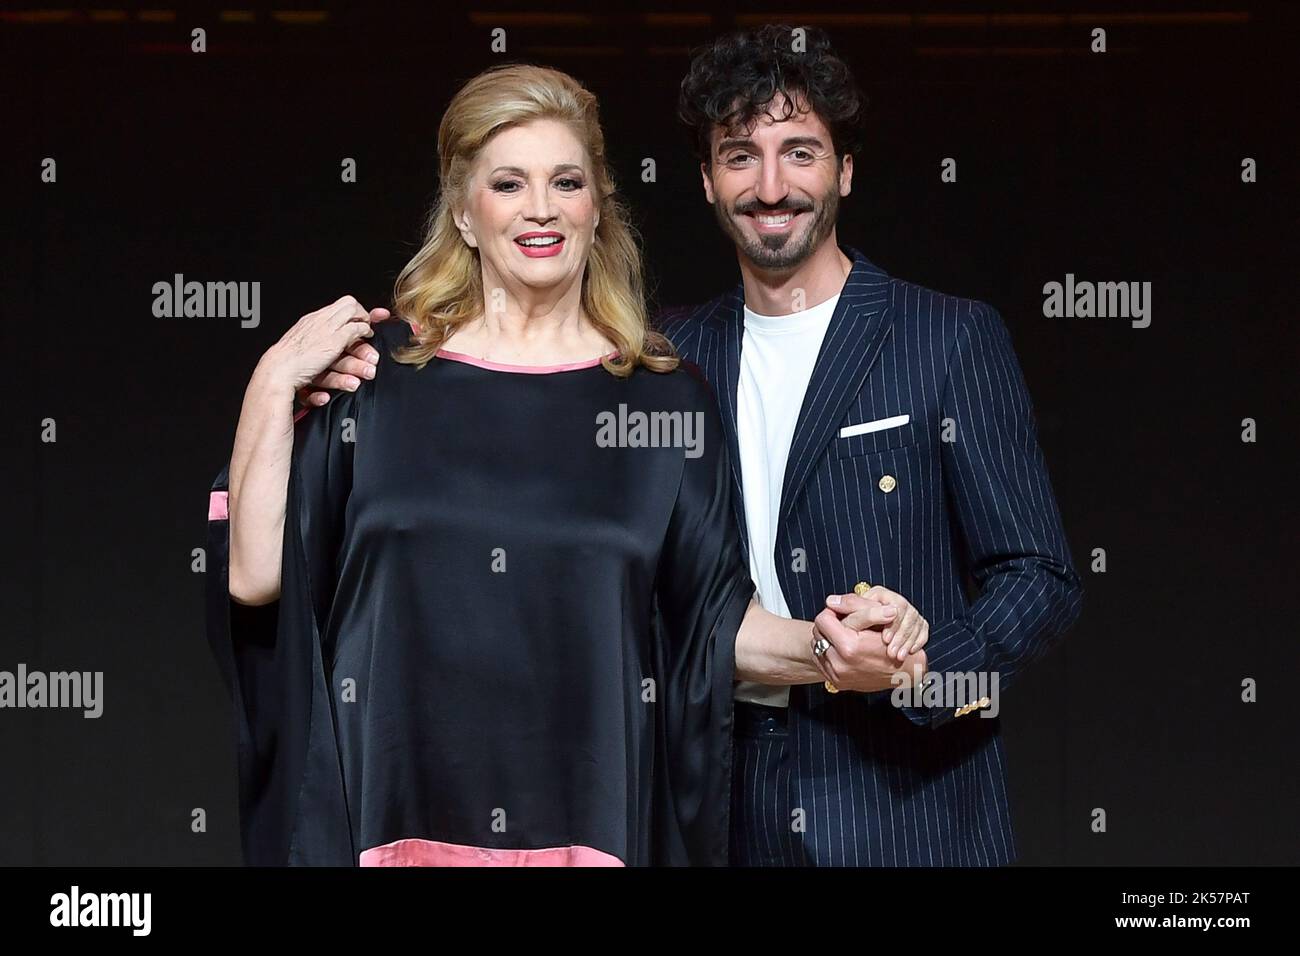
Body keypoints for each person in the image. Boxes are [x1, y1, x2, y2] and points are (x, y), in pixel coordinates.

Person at [204, 63, 927, 867]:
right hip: (390, 834)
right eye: (509, 183)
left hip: (593, 838)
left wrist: (836, 647)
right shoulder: (372, 381)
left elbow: (712, 627)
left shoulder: (665, 403)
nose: (541, 208)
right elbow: (256, 576)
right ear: (465, 214)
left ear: (597, 208)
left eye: (566, 182)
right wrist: (272, 381)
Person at [657, 24, 1085, 865]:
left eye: (801, 152)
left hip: (909, 802)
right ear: (707, 180)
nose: (771, 186)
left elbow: (1042, 577)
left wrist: (923, 664)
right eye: (741, 156)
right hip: (717, 800)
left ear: (845, 170)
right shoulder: (668, 356)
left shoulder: (948, 336)